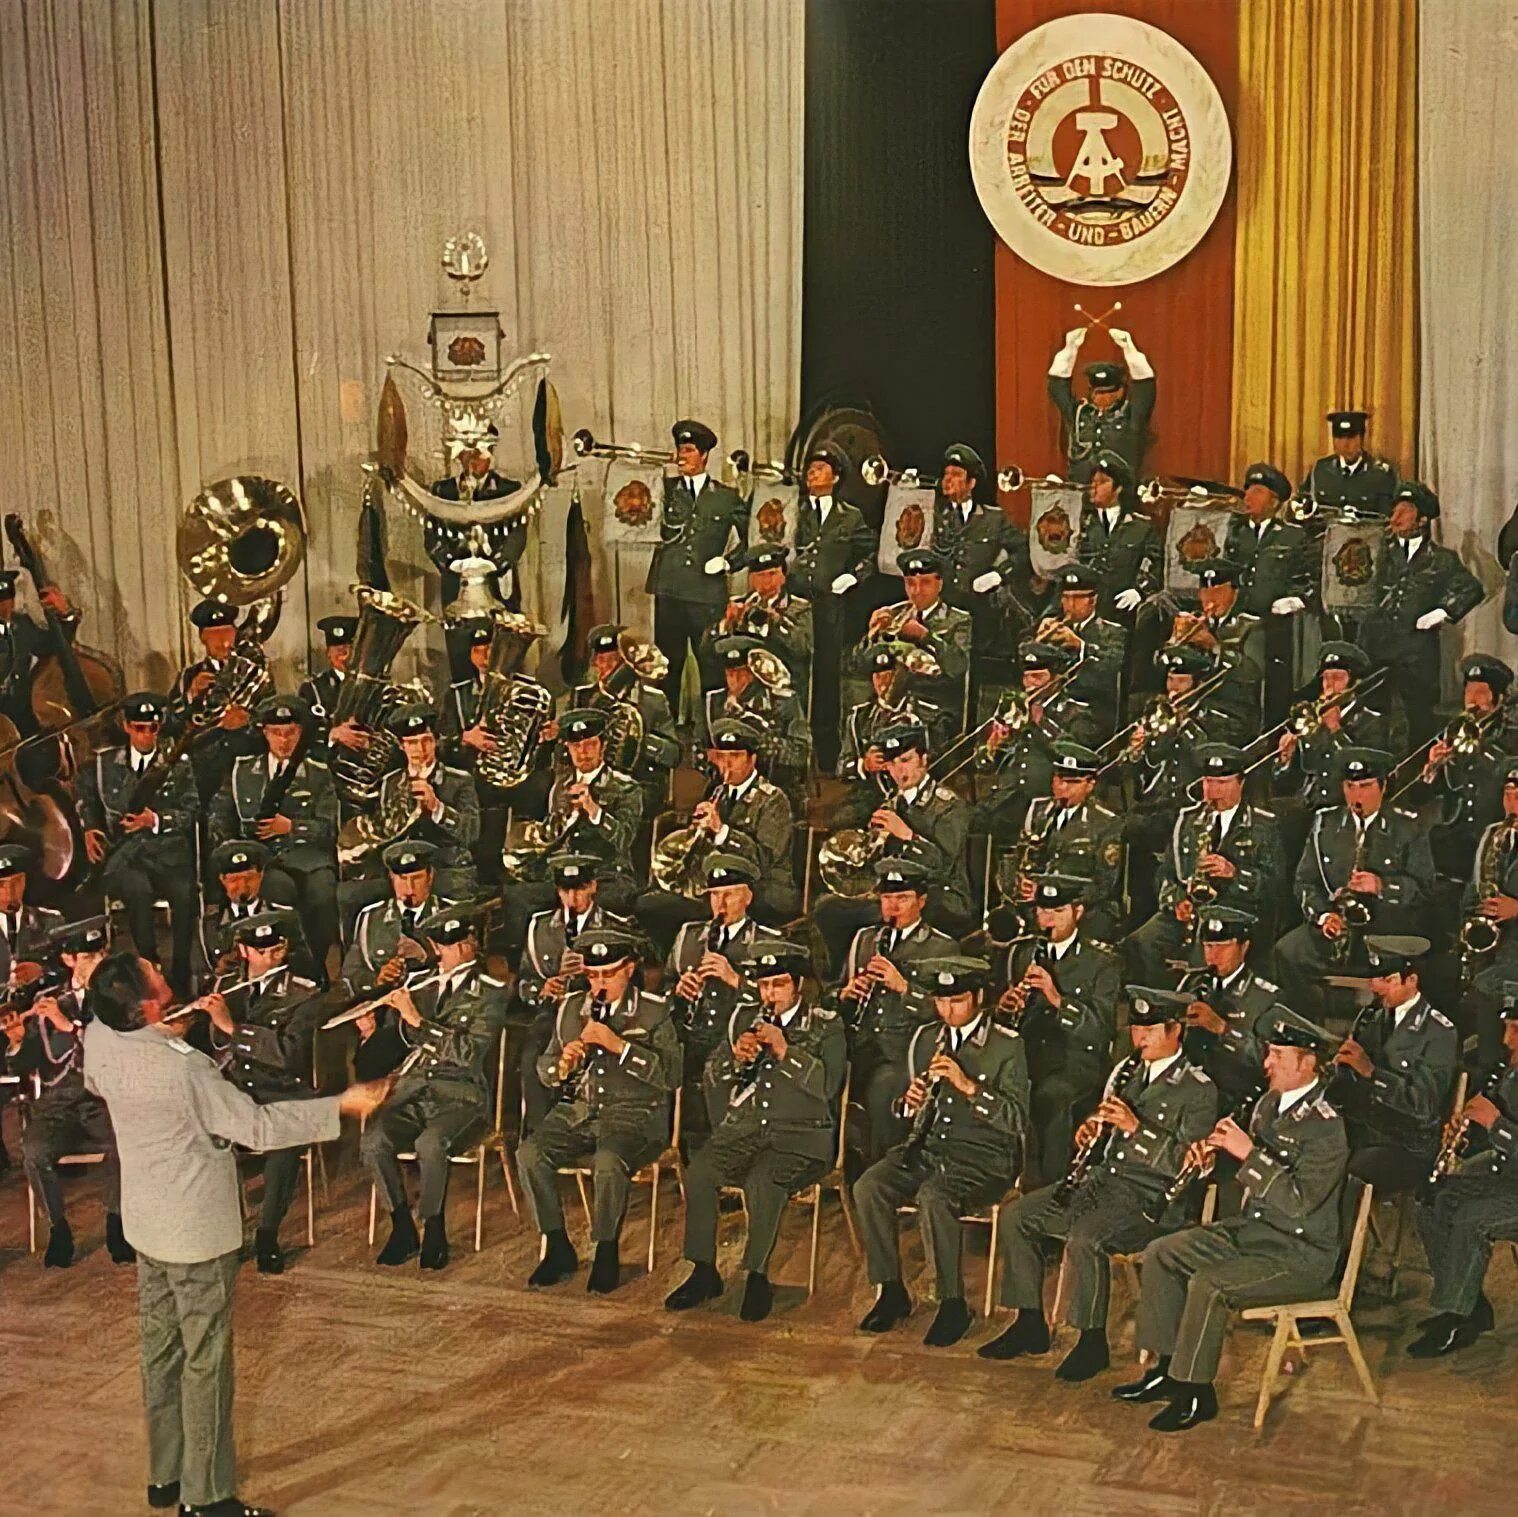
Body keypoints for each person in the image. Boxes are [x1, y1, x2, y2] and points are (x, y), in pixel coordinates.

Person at [81, 948, 386, 1517]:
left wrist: (153, 1037)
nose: (166, 973)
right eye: (157, 977)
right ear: (148, 1005)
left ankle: (165, 1475)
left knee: (160, 1351)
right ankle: (207, 1498)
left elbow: (104, 1078)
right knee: (206, 1363)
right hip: (195, 1230)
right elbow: (257, 1127)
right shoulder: (184, 1067)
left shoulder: (100, 1037)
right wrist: (340, 1104)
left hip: (147, 1221)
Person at [1117, 1010, 1346, 1433]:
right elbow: (1245, 1174)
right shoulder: (1268, 1103)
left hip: (1299, 1253)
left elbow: (1300, 1204)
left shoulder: (1327, 1128)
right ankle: (1165, 1369)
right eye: (1270, 1053)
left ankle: (1195, 1392)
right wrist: (1212, 1154)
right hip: (1253, 1233)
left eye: (1279, 1055)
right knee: (1162, 1252)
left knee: (1209, 1284)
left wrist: (1247, 1154)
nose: (1267, 1063)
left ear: (1308, 1063)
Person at [979, 987, 1218, 1379]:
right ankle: (1029, 1322)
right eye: (1136, 1029)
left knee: (1084, 1238)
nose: (1140, 1038)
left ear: (1177, 1031)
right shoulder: (1126, 1071)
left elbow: (1188, 1167)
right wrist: (1094, 1130)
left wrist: (1135, 1128)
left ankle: (1092, 1342)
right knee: (1017, 1216)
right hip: (1101, 1182)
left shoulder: (1199, 1089)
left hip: (1151, 1200)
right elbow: (1108, 1133)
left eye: (1151, 1030)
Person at [853, 957, 1029, 1347]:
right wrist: (908, 1104)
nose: (948, 1010)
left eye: (958, 1001)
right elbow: (907, 1112)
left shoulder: (1006, 1046)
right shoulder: (927, 1038)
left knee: (935, 1196)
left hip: (985, 1157)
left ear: (979, 998)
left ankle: (952, 1303)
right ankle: (891, 1290)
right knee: (870, 1185)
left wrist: (969, 1088)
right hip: (930, 1149)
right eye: (941, 1002)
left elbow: (1016, 1121)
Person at [666, 940, 845, 1322]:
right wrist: (734, 1057)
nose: (770, 995)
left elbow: (829, 1087)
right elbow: (712, 1074)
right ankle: (703, 1270)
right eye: (764, 986)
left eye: (778, 985)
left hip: (802, 1138)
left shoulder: (825, 1024)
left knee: (763, 1181)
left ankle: (756, 1276)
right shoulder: (744, 1016)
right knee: (699, 1172)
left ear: (798, 984)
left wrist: (786, 1052)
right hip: (747, 1131)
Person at [518, 928, 680, 1295]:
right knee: (530, 1153)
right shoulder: (572, 1007)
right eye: (593, 975)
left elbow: (672, 1075)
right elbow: (545, 1069)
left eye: (608, 974)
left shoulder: (654, 1011)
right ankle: (557, 1244)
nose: (599, 983)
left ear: (629, 969)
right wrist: (562, 1066)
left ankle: (606, 1249)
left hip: (634, 1116)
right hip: (580, 1111)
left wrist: (619, 1046)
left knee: (607, 1161)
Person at [360, 905, 508, 1271]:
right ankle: (401, 1225)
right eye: (446, 945)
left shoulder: (490, 993)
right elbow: (392, 1048)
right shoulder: (418, 986)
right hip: (413, 1093)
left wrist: (417, 1021)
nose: (456, 952)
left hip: (461, 1095)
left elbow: (469, 1054)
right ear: (434, 946)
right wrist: (370, 1031)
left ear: (472, 943)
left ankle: (435, 1228)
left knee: (430, 1143)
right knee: (373, 1140)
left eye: (463, 943)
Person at [198, 910, 327, 1275]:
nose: (270, 958)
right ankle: (231, 1232)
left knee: (284, 1143)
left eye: (276, 950)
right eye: (260, 951)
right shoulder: (224, 986)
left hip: (285, 1092)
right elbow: (206, 1045)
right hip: (238, 1089)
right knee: (206, 1138)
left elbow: (288, 1054)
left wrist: (230, 1027)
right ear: (243, 950)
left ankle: (268, 1233)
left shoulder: (304, 992)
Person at [1273, 748, 1437, 1020]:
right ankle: (1311, 1028)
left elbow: (1426, 890)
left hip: (1386, 930)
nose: (1357, 796)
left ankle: (1384, 1036)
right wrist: (1325, 916)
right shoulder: (1325, 823)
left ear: (1383, 787)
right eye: (1350, 786)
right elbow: (1304, 882)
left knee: (1402, 968)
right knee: (1287, 952)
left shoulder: (1409, 826)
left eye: (1365, 786)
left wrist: (1382, 886)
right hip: (1338, 927)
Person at [813, 722, 974, 976]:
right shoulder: (893, 801)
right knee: (827, 907)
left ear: (923, 760)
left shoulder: (949, 806)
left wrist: (907, 835)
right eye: (892, 765)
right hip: (897, 890)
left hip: (940, 896)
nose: (899, 771)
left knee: (848, 913)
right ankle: (846, 978)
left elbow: (944, 866)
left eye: (906, 760)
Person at [11, 916, 127, 1268]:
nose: (97, 963)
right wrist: (17, 1041)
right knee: (34, 1152)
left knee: (122, 1142)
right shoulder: (47, 998)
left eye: (100, 954)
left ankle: (116, 1222)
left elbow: (121, 1049)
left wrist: (70, 1026)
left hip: (101, 1099)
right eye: (88, 957)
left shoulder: (118, 994)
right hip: (57, 1102)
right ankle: (58, 1228)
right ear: (69, 960)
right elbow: (28, 1061)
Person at [1408, 986, 1518, 1357]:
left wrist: (1497, 1124)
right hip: (1509, 1174)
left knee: (1471, 1219)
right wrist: (1467, 1133)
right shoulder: (1513, 1071)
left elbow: (1504, 1129)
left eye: (1516, 1030)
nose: (1506, 1039)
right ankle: (1470, 1303)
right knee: (1432, 1198)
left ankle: (1455, 1316)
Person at [1123, 743, 1283, 985]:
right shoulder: (1187, 820)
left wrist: (1235, 874)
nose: (1213, 791)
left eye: (1222, 783)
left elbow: (1275, 886)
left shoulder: (1264, 826)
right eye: (1208, 782)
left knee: (1206, 950)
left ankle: (1204, 1009)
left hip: (1236, 915)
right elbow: (1165, 874)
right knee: (1141, 942)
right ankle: (1162, 1007)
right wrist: (1176, 900)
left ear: (1240, 783)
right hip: (1189, 911)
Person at [834, 854, 956, 1166]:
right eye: (887, 898)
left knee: (883, 1089)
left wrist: (904, 987)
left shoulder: (941, 947)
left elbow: (949, 1015)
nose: (893, 907)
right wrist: (847, 992)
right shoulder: (865, 939)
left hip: (905, 1050)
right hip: (858, 1043)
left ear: (922, 901)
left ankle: (881, 1173)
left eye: (902, 898)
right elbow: (834, 994)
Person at [999, 874, 1121, 1186]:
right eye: (1042, 911)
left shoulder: (1102, 962)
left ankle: (1048, 1188)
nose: (1048, 919)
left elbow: (1101, 1031)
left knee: (1049, 1099)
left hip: (1074, 1060)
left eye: (1058, 911)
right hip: (1026, 1056)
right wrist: (1006, 1007)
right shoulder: (1022, 953)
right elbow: (1006, 1025)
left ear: (1078, 912)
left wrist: (1056, 999)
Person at [635, 718, 797, 951]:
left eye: (735, 757)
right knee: (649, 904)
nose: (727, 765)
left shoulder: (773, 800)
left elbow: (764, 861)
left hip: (762, 891)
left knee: (665, 908)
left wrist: (722, 831)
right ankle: (678, 960)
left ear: (752, 759)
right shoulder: (716, 790)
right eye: (722, 758)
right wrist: (697, 832)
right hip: (717, 884)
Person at [77, 692, 200, 995]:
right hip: (126, 856)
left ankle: (182, 969)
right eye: (139, 727)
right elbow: (89, 799)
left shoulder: (177, 763)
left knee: (185, 896)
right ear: (127, 726)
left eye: (153, 728)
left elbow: (192, 810)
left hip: (168, 854)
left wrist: (155, 820)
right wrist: (90, 829)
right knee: (136, 889)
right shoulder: (106, 762)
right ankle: (149, 966)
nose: (146, 735)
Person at [208, 694, 339, 969]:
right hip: (262, 861)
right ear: (265, 733)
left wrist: (292, 827)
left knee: (323, 894)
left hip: (309, 859)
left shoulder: (317, 772)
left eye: (290, 733)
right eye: (276, 733)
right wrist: (233, 849)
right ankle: (272, 965)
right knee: (276, 889)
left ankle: (314, 964)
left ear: (300, 733)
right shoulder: (242, 771)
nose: (283, 741)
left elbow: (329, 827)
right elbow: (219, 813)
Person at [1328, 934, 1458, 1207]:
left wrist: (1372, 1073)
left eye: (1387, 980)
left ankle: (1336, 1246)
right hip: (1362, 1128)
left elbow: (1423, 1106)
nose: (1376, 987)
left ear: (1412, 980)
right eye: (1375, 978)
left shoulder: (1438, 1032)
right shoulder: (1371, 1018)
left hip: (1405, 1143)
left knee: (1343, 1173)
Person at [662, 853, 778, 1147]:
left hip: (736, 1036)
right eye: (715, 895)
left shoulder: (767, 942)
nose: (720, 904)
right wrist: (678, 991)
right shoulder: (689, 935)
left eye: (729, 894)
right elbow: (662, 989)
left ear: (748, 897)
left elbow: (777, 1004)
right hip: (691, 1034)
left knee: (719, 1071)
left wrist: (736, 980)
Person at [1357, 482, 1484, 746]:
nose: (1397, 517)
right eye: (1396, 509)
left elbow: (1471, 589)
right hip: (1376, 648)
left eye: (1406, 510)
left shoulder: (1441, 559)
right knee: (1372, 720)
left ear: (1423, 519)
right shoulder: (1374, 551)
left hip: (1416, 653)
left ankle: (1417, 780)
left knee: (1419, 720)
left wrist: (1443, 611)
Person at [336, 704, 479, 929]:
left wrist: (437, 807)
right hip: (401, 870)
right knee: (349, 895)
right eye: (412, 743)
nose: (420, 749)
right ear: (402, 746)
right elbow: (383, 831)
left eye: (426, 741)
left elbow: (471, 834)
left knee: (454, 904)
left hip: (445, 866)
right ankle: (362, 955)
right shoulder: (390, 782)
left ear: (435, 742)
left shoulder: (460, 780)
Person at [645, 418, 750, 715]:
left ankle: (713, 735)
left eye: (689, 450)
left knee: (712, 667)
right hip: (670, 591)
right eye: (680, 450)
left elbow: (752, 539)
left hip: (706, 596)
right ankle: (665, 732)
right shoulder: (663, 491)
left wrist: (729, 562)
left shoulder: (726, 497)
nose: (682, 457)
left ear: (704, 455)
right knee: (666, 667)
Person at [789, 442, 877, 770]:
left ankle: (826, 754)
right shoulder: (792, 510)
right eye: (810, 468)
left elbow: (872, 554)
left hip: (829, 605)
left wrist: (853, 577)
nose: (812, 473)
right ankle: (794, 750)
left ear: (835, 476)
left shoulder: (850, 517)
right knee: (793, 671)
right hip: (795, 602)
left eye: (820, 468)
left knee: (827, 675)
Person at [1224, 463, 1318, 724]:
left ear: (1274, 501)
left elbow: (1311, 578)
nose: (1248, 498)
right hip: (1236, 622)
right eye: (1247, 491)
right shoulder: (1234, 533)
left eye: (1257, 492)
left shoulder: (1293, 536)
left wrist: (1297, 598)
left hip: (1274, 627)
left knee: (1275, 689)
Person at [855, 549, 973, 723]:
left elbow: (957, 668)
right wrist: (871, 634)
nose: (917, 591)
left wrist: (925, 637)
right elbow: (859, 666)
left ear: (939, 584)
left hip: (933, 716)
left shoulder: (958, 620)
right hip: (889, 713)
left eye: (925, 582)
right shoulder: (895, 614)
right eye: (910, 583)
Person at [165, 600, 261, 802]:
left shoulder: (254, 672)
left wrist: (248, 719)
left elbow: (271, 718)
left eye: (226, 633)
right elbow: (170, 724)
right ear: (202, 638)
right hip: (203, 770)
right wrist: (190, 695)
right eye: (214, 635)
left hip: (246, 765)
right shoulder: (188, 676)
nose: (222, 640)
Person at [1047, 327, 1156, 482]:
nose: (1102, 398)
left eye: (1108, 392)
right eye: (1098, 393)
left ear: (1120, 391)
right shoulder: (1080, 414)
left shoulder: (1130, 416)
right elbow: (1057, 387)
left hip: (1119, 494)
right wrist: (1069, 350)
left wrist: (1130, 351)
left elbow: (1145, 387)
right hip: (1081, 491)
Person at [0, 565, 81, 733]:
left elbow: (51, 645)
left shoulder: (21, 626)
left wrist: (65, 614)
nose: (4, 608)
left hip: (24, 720)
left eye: (7, 600)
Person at [1298, 410, 1397, 518]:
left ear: (1361, 439)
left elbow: (1387, 516)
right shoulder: (1321, 469)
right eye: (1340, 438)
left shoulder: (1380, 473)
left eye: (1351, 438)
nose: (1346, 445)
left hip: (1364, 532)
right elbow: (1303, 502)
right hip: (1325, 532)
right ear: (1334, 442)